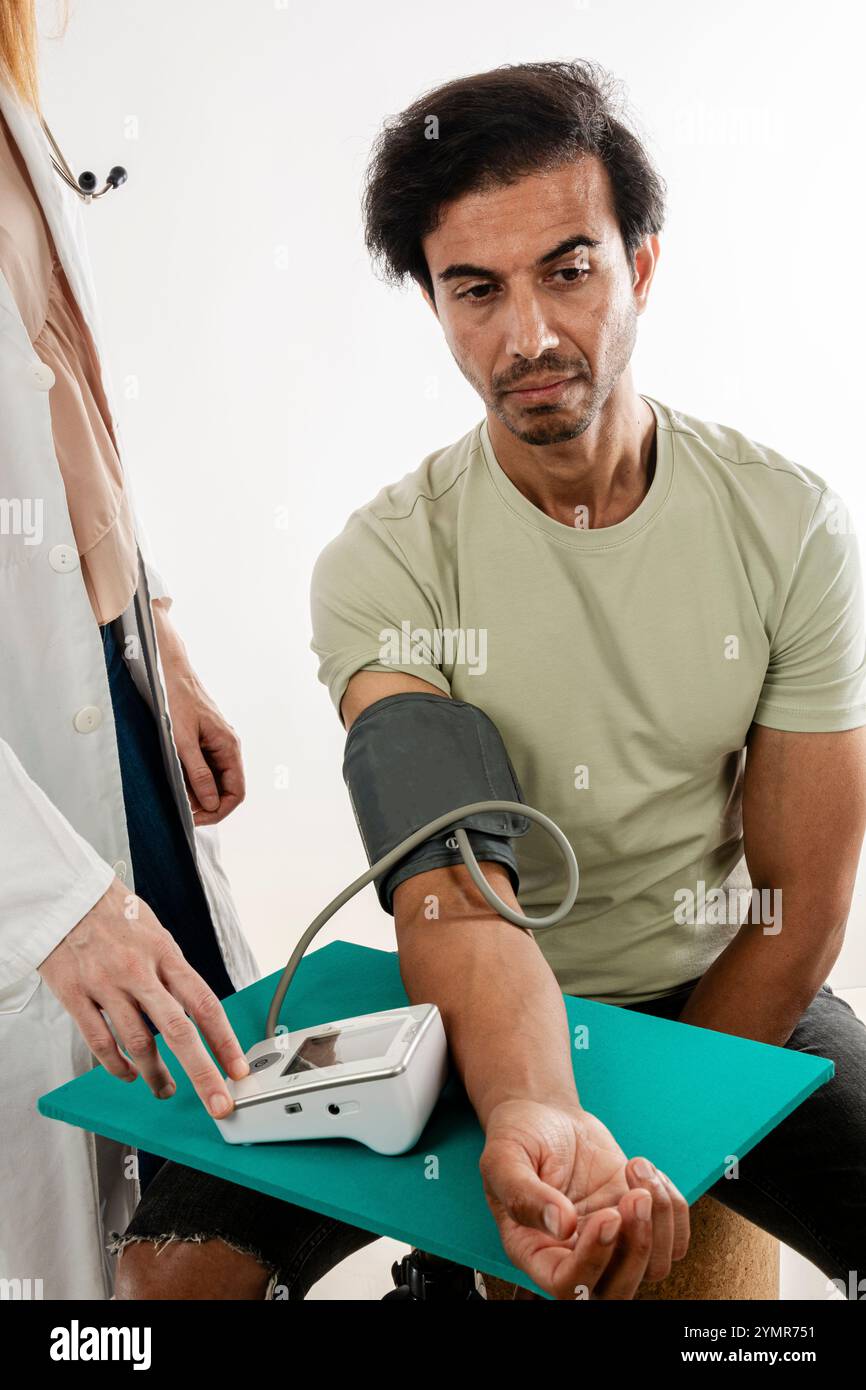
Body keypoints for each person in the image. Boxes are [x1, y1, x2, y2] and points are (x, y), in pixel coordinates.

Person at [115, 59, 866, 1302]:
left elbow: (798, 905)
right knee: (164, 1287)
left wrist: (648, 1151)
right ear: (436, 305)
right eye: (475, 289)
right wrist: (527, 1097)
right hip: (463, 1007)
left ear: (643, 264)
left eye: (569, 269)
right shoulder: (386, 560)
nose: (526, 335)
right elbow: (452, 886)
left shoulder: (787, 528)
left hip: (720, 987)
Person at [0, 2, 259, 1300]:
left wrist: (158, 637)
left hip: (104, 701)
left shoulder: (11, 98)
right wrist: (40, 895)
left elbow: (63, 416)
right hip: (20, 800)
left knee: (225, 1159)